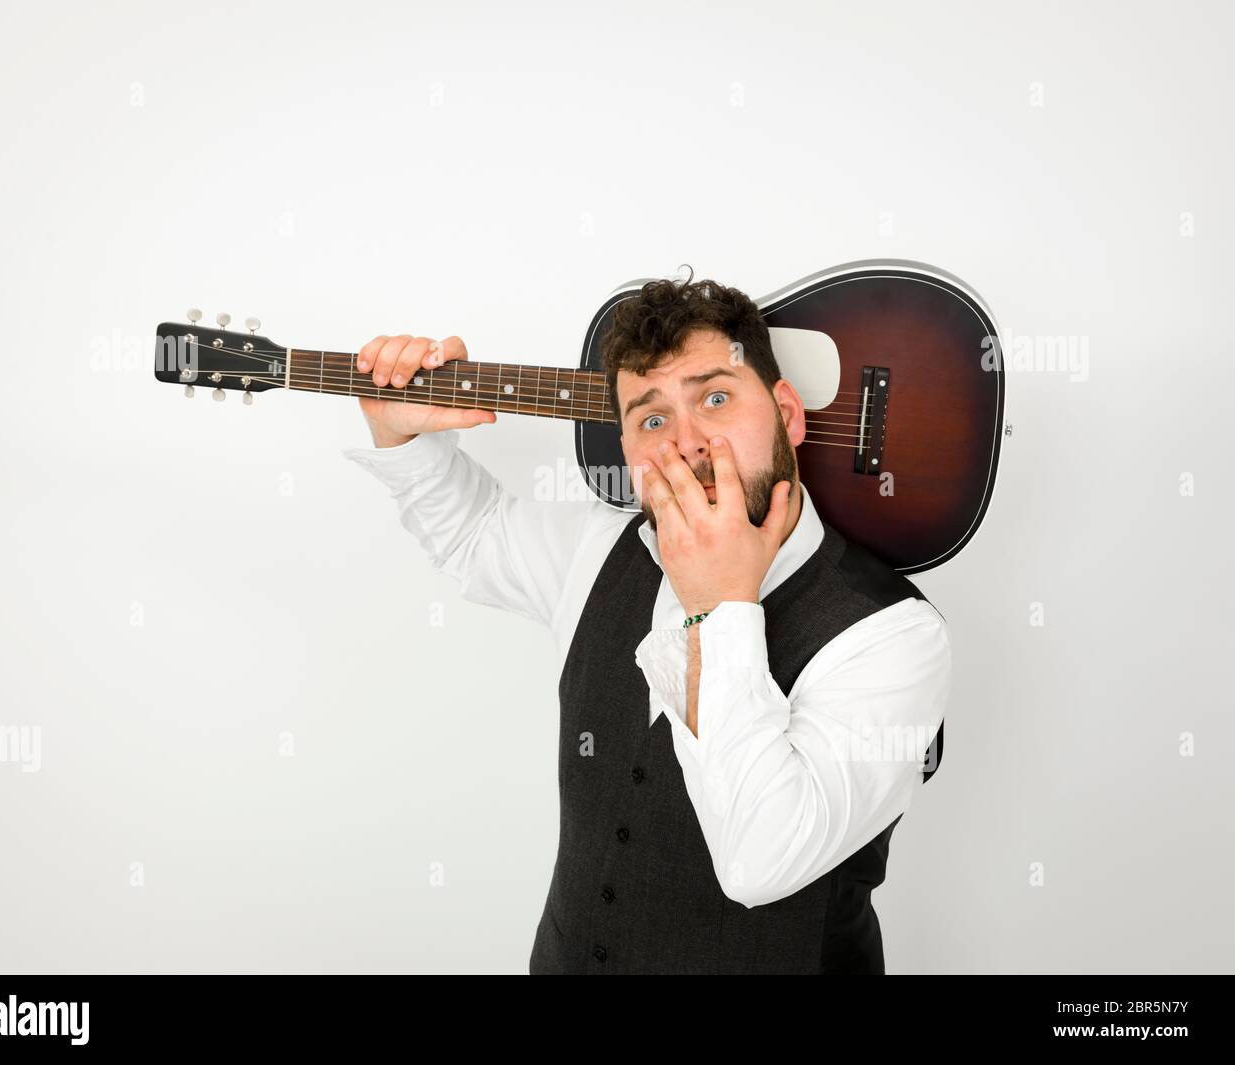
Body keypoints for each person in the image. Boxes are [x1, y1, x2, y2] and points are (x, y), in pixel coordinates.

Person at [343, 273, 952, 974]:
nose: (688, 443)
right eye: (652, 419)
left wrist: (719, 601)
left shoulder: (895, 634)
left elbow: (760, 861)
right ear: (628, 450)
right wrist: (400, 434)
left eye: (715, 398)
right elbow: (476, 536)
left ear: (786, 413)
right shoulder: (601, 548)